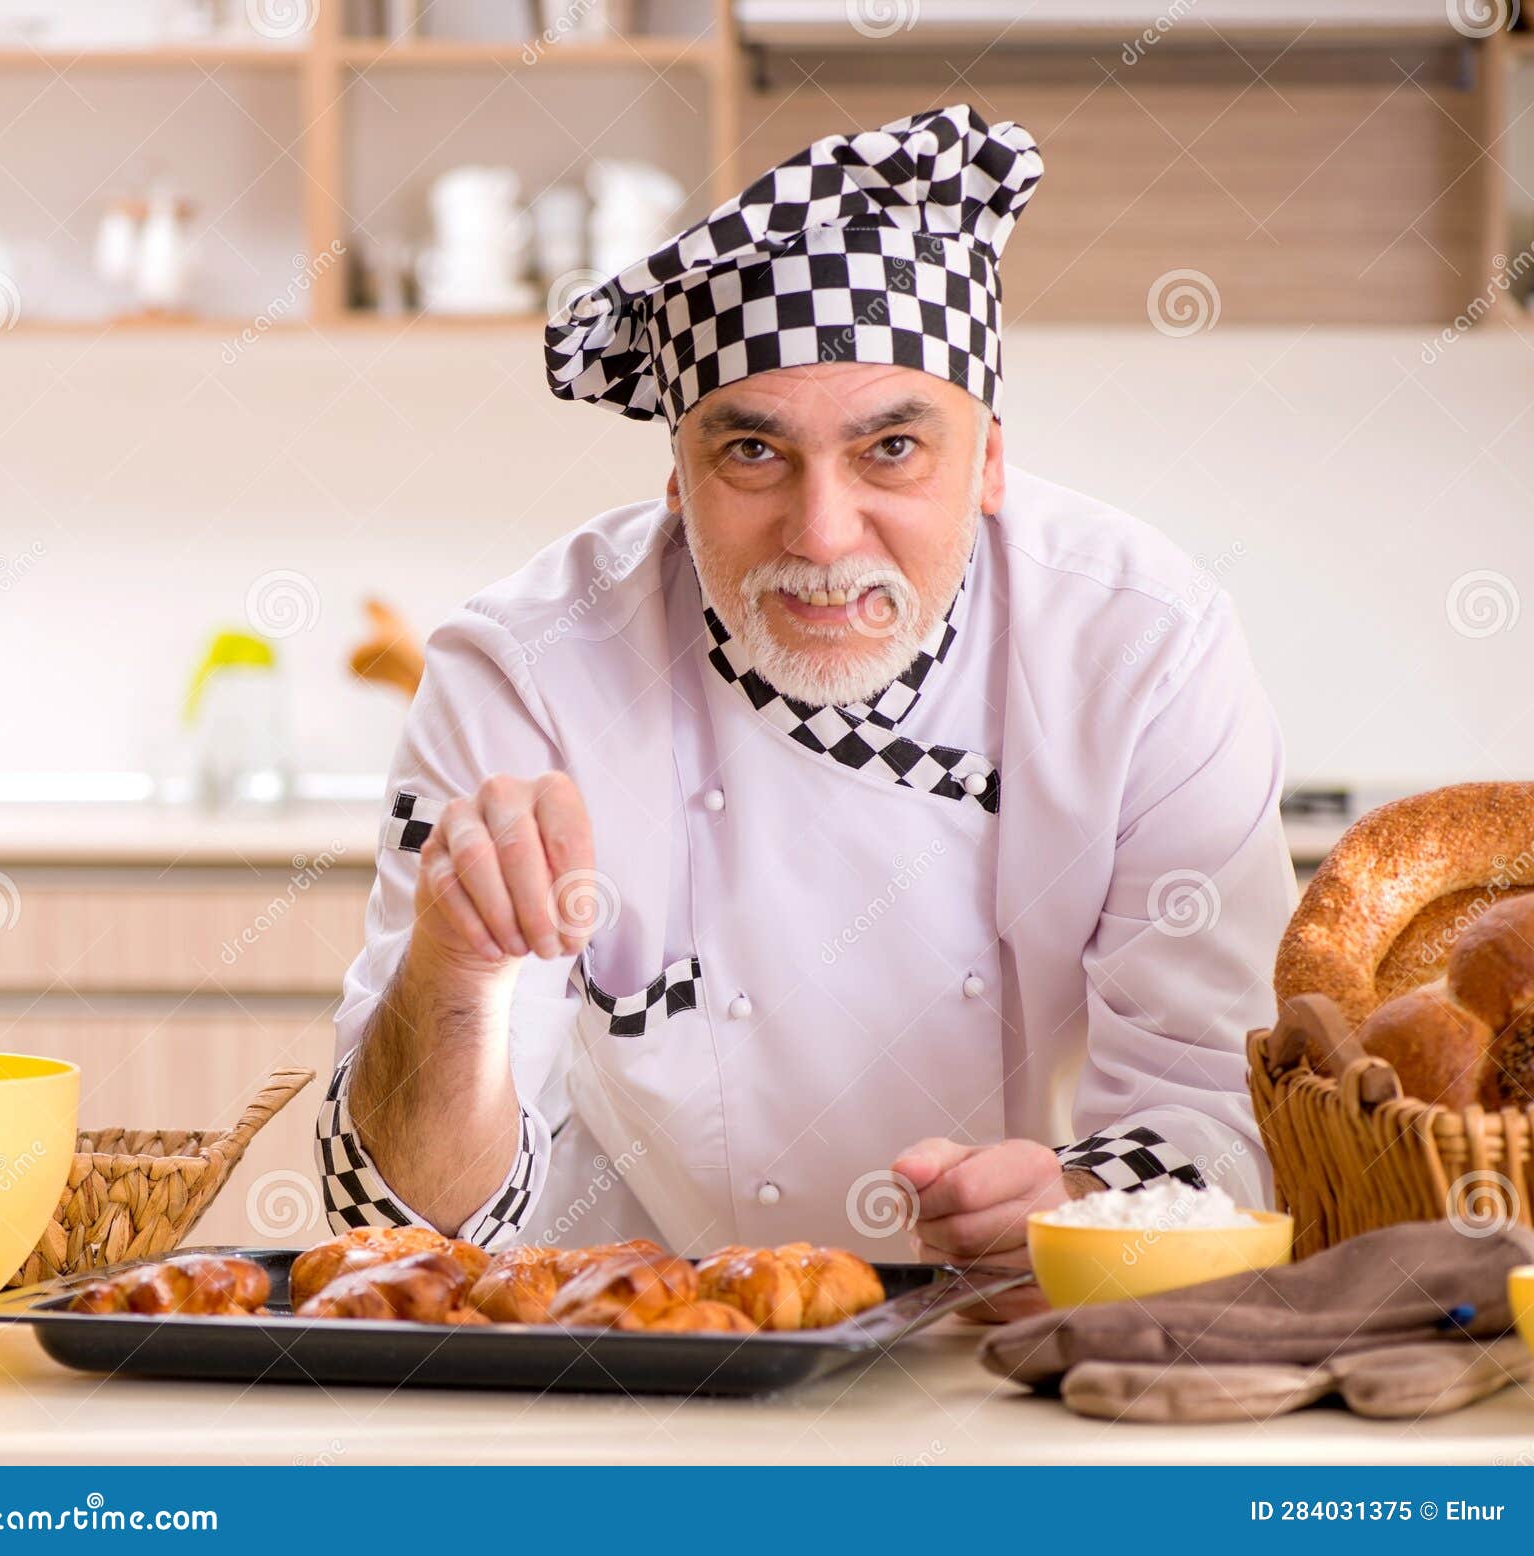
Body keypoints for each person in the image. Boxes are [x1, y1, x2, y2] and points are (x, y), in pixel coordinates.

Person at [316, 105, 1298, 1286]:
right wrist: (457, 973)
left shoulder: (1142, 648)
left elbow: (1226, 1113)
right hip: (632, 1349)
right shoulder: (529, 674)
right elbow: (402, 1223)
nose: (824, 536)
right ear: (674, 476)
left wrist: (1083, 1193)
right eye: (752, 453)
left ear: (988, 460)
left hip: (1008, 1335)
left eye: (892, 449)